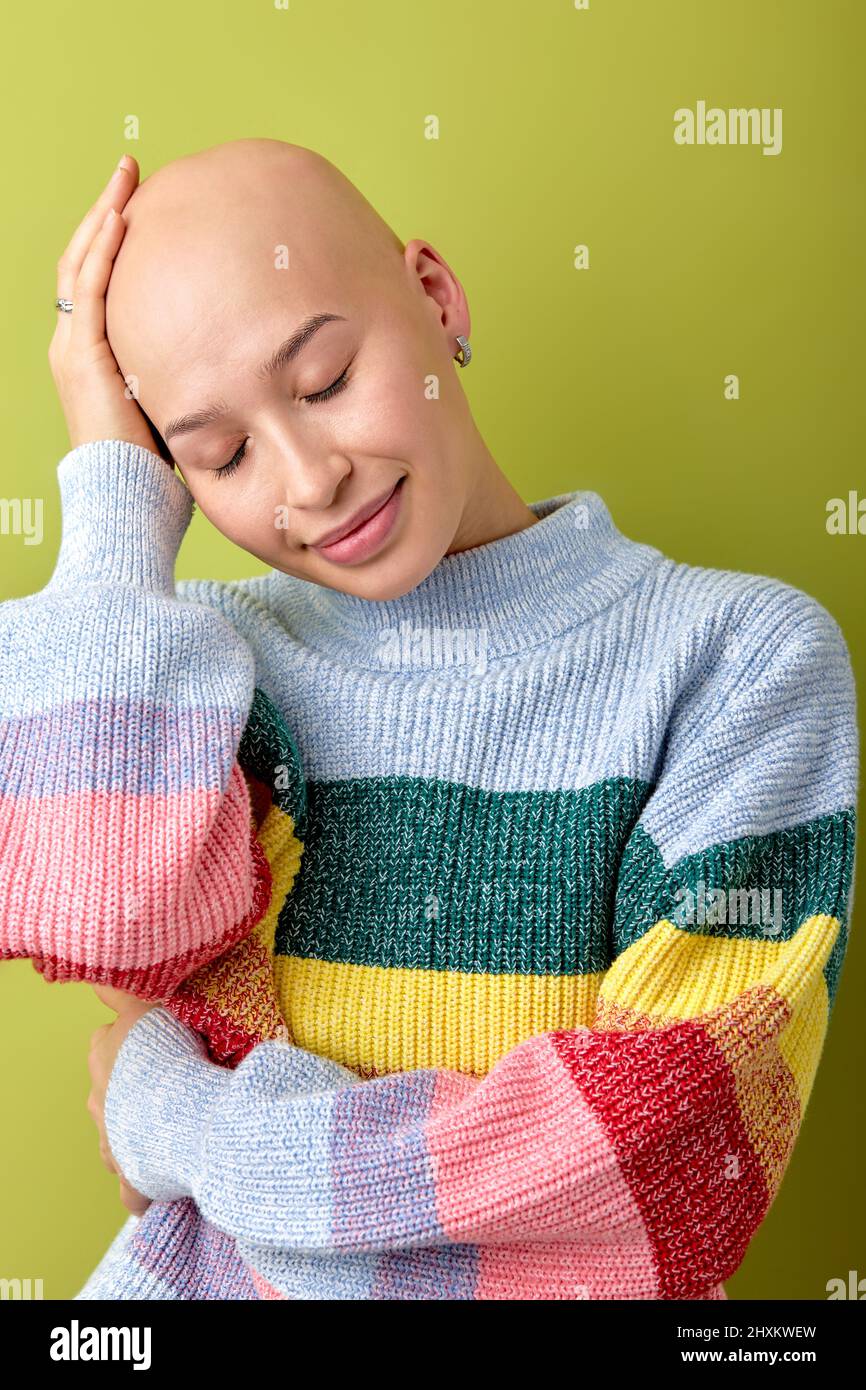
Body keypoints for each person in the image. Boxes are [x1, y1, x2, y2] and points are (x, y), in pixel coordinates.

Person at [0, 139, 858, 1300]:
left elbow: (658, 1178)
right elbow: (92, 913)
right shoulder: (198, 666)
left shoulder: (733, 660)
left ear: (434, 296)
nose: (308, 480)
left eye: (323, 382)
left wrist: (179, 1118)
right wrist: (110, 502)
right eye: (221, 453)